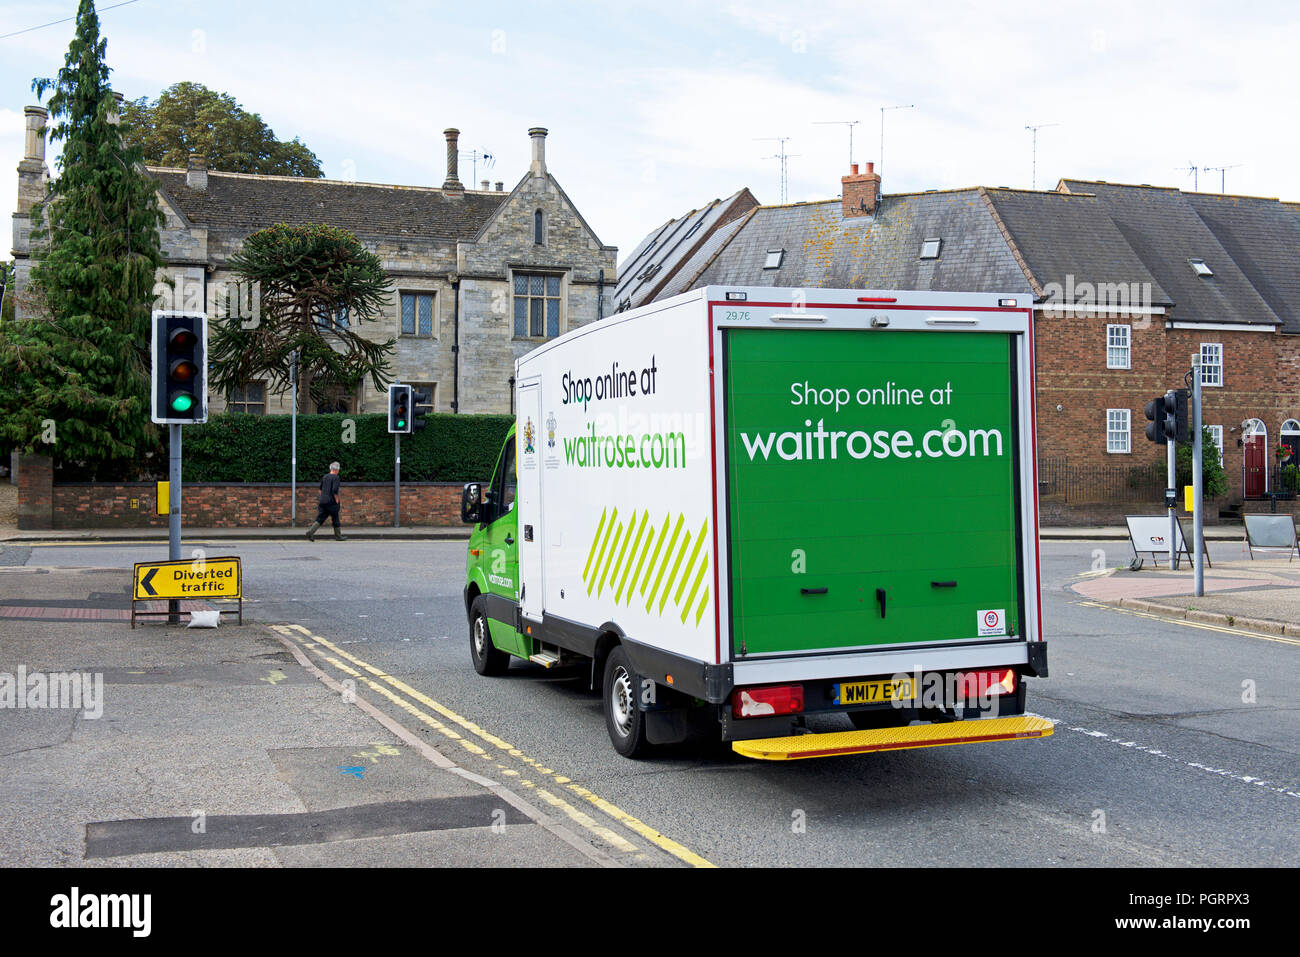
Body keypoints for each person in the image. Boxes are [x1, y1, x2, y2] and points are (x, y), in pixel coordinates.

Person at [306, 462, 347, 541]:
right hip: (331, 502)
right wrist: (337, 500)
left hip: (323, 501)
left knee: (320, 518)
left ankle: (310, 532)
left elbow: (321, 489)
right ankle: (338, 536)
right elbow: (335, 490)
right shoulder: (336, 477)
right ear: (337, 469)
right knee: (335, 518)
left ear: (330, 468)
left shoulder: (325, 477)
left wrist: (323, 497)